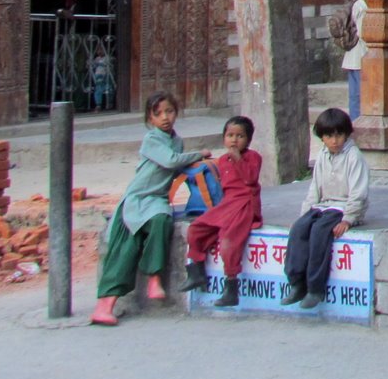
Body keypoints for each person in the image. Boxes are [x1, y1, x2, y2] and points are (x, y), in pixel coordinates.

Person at [91, 92, 211, 326]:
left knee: (161, 221)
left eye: (169, 111)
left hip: (157, 200)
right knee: (125, 248)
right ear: (150, 118)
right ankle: (104, 306)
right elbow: (170, 161)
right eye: (158, 114)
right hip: (137, 200)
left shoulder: (177, 141)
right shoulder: (152, 140)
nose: (165, 117)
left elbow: (176, 168)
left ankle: (153, 277)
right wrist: (199, 154)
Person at [281, 108, 369, 310]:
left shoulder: (354, 157)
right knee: (299, 229)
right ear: (322, 138)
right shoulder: (322, 156)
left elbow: (359, 192)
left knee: (320, 232)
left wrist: (349, 218)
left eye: (339, 135)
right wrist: (305, 213)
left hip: (342, 207)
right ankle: (296, 283)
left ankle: (315, 287)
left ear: (346, 134)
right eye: (329, 136)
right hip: (322, 206)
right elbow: (315, 187)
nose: (335, 141)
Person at [182, 115, 264, 308]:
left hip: (245, 204)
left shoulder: (253, 157)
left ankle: (231, 285)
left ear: (248, 140)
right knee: (197, 228)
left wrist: (238, 159)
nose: (234, 140)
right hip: (227, 205)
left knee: (229, 240)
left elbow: (250, 179)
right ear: (224, 138)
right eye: (230, 135)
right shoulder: (222, 160)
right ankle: (197, 271)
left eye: (240, 136)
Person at [340, 0, 367, 119]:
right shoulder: (362, 4)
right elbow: (364, 35)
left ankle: (355, 123)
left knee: (355, 96)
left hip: (355, 57)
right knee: (359, 96)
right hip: (361, 56)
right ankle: (357, 125)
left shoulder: (358, 2)